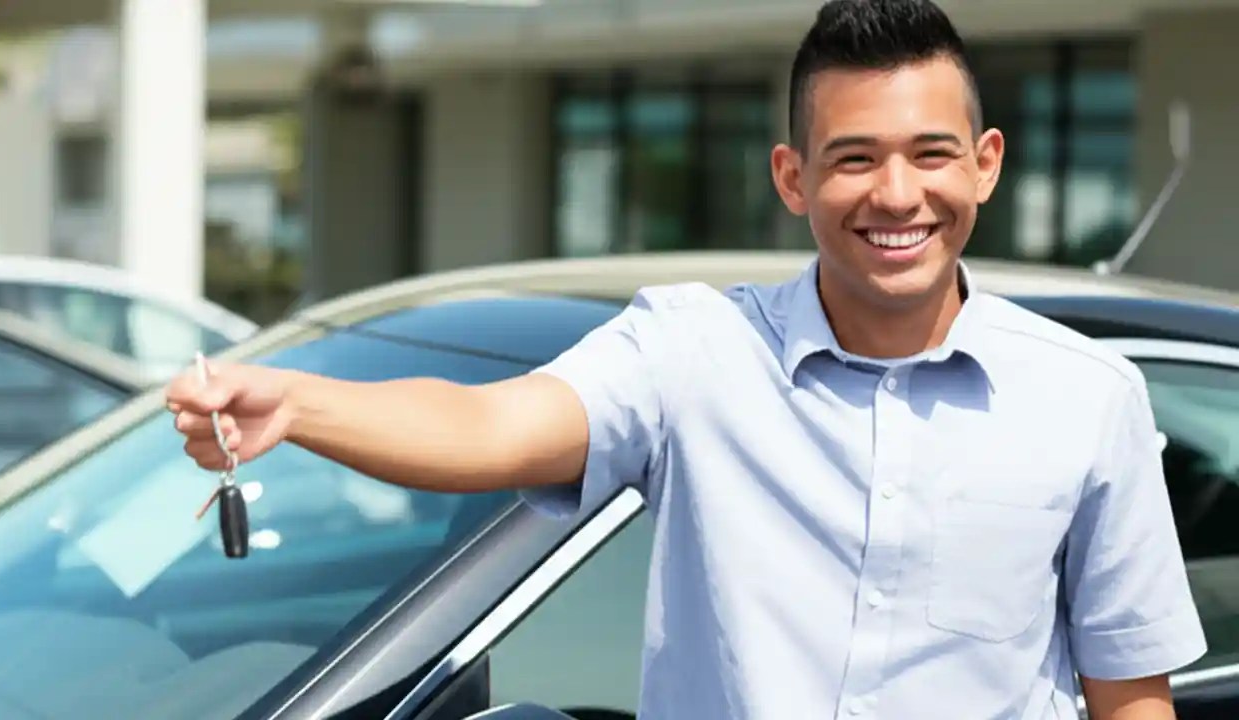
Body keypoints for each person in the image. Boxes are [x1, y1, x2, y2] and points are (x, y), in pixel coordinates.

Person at [165, 0, 1206, 717]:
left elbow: (1129, 697)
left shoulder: (1086, 399)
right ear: (792, 178)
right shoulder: (687, 354)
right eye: (853, 158)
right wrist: (299, 404)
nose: (896, 195)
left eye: (929, 154)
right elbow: (489, 424)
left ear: (982, 167)